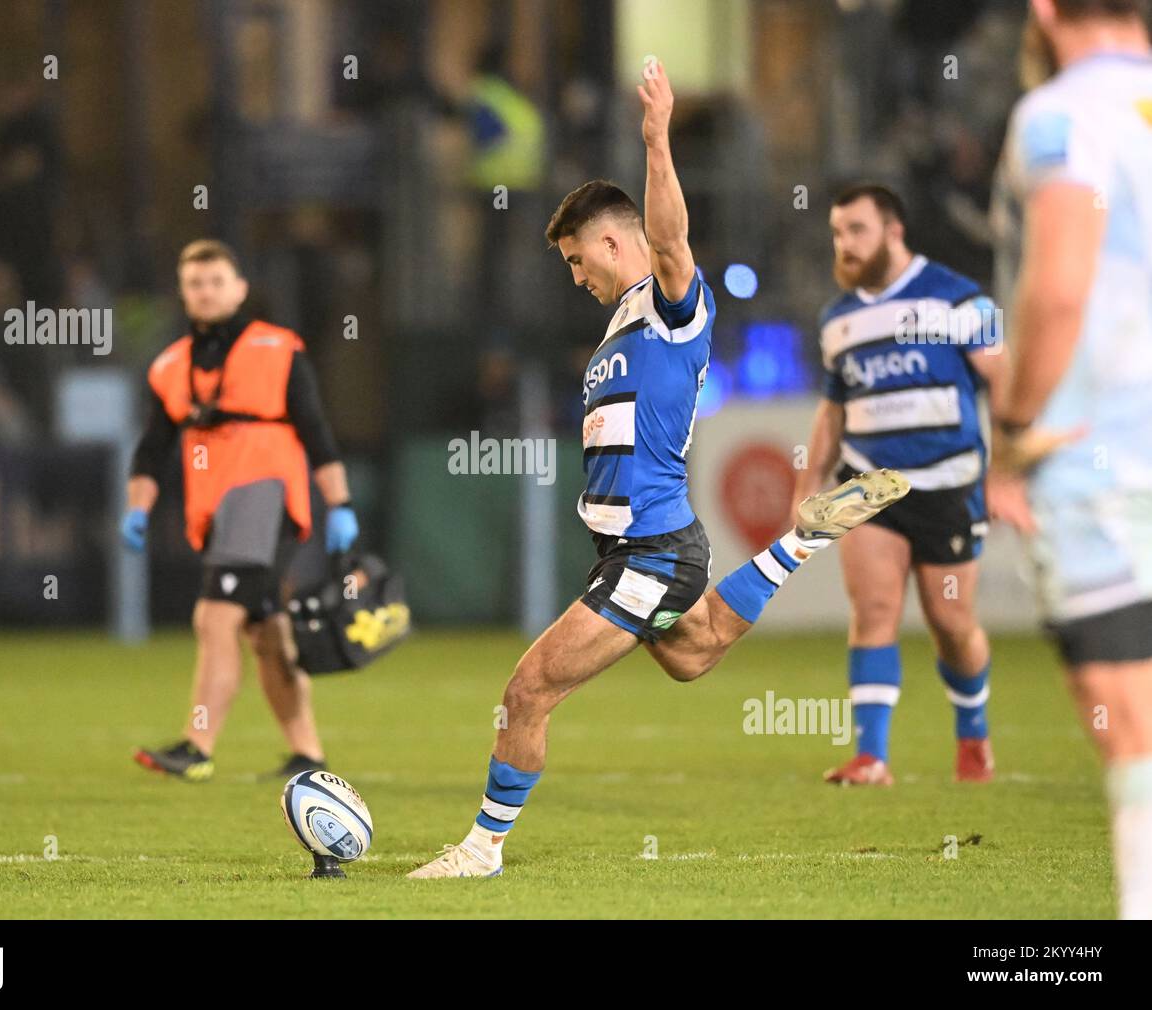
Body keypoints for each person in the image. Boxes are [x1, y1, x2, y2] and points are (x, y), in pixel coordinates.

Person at [407, 62, 910, 879]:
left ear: (613, 240)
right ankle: (802, 541)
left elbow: (670, 237)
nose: (577, 277)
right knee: (694, 651)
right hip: (638, 549)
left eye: (578, 259)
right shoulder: (619, 329)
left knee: (528, 689)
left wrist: (655, 136)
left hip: (652, 551)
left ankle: (481, 849)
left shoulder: (671, 305)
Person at [990, 0, 1152, 918]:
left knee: (1129, 719)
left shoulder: (1061, 115)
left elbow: (1055, 290)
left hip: (1105, 464)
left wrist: (1011, 435)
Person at [795, 183, 1007, 786]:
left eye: (857, 230)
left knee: (952, 624)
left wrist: (1012, 464)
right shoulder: (837, 319)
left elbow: (1006, 378)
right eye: (837, 233)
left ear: (893, 231)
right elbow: (833, 408)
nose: (845, 244)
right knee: (874, 609)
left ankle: (972, 736)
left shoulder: (961, 298)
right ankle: (872, 757)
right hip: (868, 487)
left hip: (950, 483)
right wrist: (809, 480)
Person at [126, 239, 359, 782]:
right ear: (183, 293)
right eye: (194, 284)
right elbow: (152, 448)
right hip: (215, 507)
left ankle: (197, 745)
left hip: (264, 496)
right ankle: (309, 755)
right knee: (264, 631)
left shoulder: (278, 349)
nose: (205, 293)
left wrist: (340, 504)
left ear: (239, 289)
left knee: (214, 617)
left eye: (215, 282)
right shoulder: (170, 366)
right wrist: (138, 508)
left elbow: (316, 433)